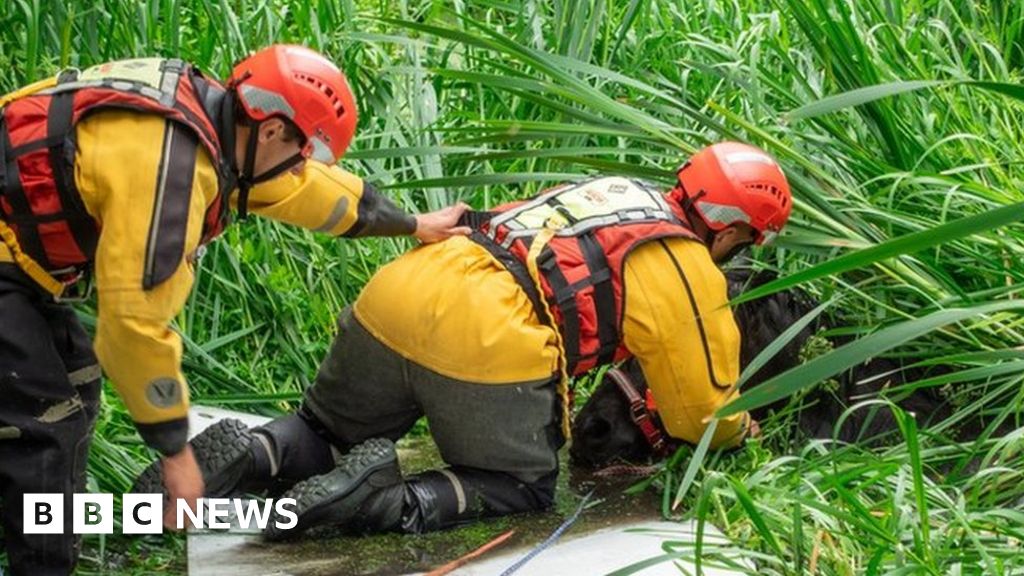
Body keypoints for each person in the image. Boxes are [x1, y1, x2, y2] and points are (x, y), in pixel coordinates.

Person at [137, 141, 792, 540]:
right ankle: (386, 501)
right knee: (522, 485)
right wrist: (745, 433)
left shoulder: (616, 193)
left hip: (399, 291)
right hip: (486, 335)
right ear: (736, 230)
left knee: (322, 431)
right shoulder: (688, 263)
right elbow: (700, 413)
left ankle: (252, 454)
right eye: (748, 242)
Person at [0, 44, 468, 574]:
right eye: (300, 152)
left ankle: (43, 534)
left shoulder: (219, 126)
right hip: (9, 264)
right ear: (272, 130)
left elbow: (310, 192)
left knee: (75, 388)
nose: (299, 167)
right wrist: (177, 454)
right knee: (46, 420)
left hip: (23, 263)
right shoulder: (172, 176)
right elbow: (132, 327)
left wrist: (413, 224)